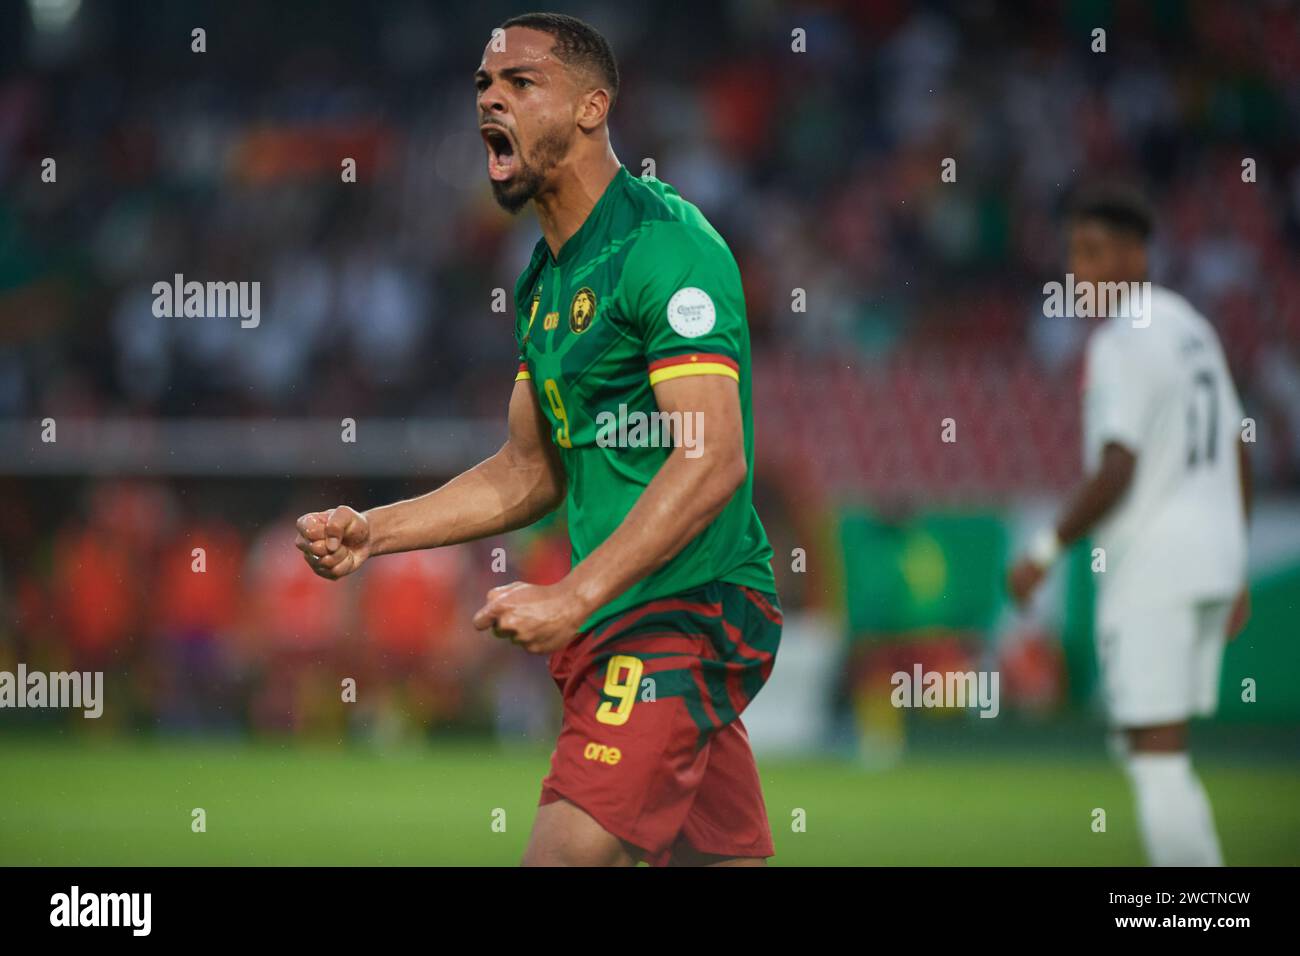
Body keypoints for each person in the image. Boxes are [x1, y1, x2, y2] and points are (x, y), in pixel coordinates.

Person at [295, 12, 780, 867]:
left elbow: (712, 458)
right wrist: (377, 532)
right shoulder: (543, 281)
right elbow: (529, 470)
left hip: (683, 608)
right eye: (484, 85)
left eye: (522, 84)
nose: (493, 99)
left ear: (593, 107)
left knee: (560, 855)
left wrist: (572, 594)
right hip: (626, 611)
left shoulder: (665, 248)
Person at [1009, 185, 1251, 866]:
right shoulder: (1191, 327)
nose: (1078, 271)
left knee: (1154, 757)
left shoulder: (1122, 340)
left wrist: (1043, 548)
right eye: (1073, 254)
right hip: (1205, 564)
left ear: (1136, 255)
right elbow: (1238, 445)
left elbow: (1117, 468)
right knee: (1157, 749)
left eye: (1093, 252)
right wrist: (1231, 565)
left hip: (1154, 569)